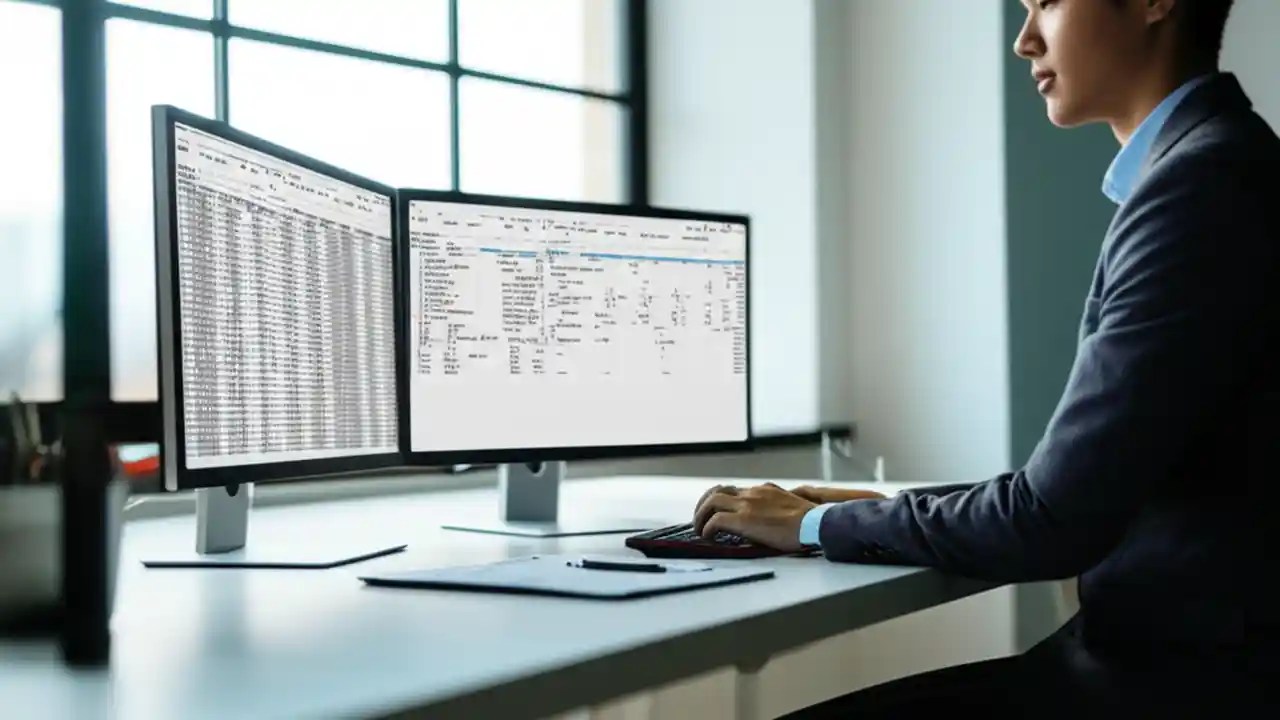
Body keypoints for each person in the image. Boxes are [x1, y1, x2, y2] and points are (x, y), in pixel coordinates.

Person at [692, 0, 1276, 716]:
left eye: (1048, 3)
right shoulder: (1224, 164)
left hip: (1173, 685)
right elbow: (1076, 487)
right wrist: (887, 509)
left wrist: (811, 526)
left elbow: (1050, 519)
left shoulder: (1198, 186)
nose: (1024, 39)